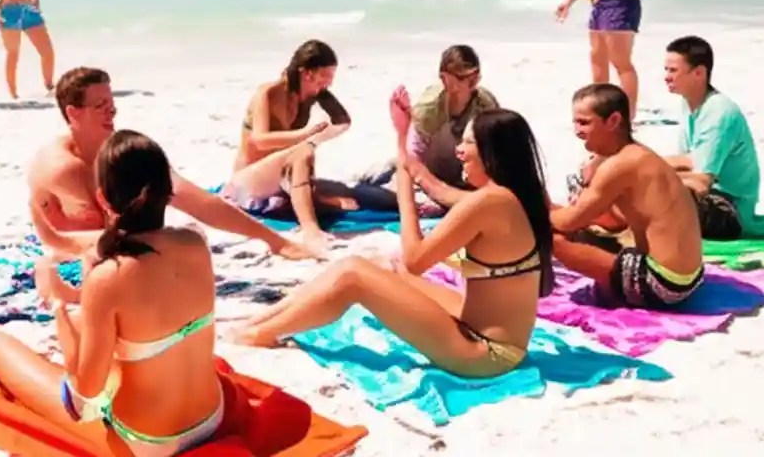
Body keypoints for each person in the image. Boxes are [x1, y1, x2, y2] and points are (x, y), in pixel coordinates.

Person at [0, 130, 226, 456]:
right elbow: (138, 249)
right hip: (211, 418)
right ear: (167, 192)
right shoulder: (194, 243)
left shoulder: (109, 279)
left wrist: (57, 304)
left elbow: (84, 400)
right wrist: (61, 244)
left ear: (104, 200)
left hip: (148, 442)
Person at [231, 109, 554, 379]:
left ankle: (259, 333)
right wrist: (402, 137)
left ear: (491, 151)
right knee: (385, 267)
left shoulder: (488, 202)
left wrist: (405, 195)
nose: (459, 149)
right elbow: (440, 193)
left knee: (353, 274)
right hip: (487, 333)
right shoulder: (515, 197)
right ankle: (260, 322)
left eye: (468, 142)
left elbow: (416, 259)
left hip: (485, 354)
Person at [27, 66, 315, 261]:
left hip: (120, 250)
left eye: (112, 103)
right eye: (100, 105)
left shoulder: (119, 152)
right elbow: (70, 243)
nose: (112, 111)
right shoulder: (63, 167)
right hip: (85, 265)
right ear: (73, 113)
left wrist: (275, 240)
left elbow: (197, 200)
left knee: (190, 235)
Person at [551, 84, 705, 309]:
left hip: (665, 285)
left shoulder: (618, 166)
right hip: (690, 279)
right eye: (575, 122)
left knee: (552, 240)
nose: (577, 131)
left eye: (584, 122)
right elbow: (615, 220)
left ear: (613, 121)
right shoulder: (639, 154)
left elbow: (569, 221)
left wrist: (536, 207)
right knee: (585, 231)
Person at [222, 40, 353, 251]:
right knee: (303, 152)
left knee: (359, 193)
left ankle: (316, 199)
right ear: (306, 73)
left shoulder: (310, 96)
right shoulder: (268, 93)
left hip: (279, 181)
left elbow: (344, 121)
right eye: (325, 77)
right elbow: (260, 139)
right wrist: (305, 134)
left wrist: (321, 133)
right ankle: (310, 230)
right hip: (247, 185)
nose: (328, 84)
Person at [374, 45, 499, 213]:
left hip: (468, 179)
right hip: (427, 175)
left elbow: (497, 154)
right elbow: (413, 158)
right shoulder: (430, 108)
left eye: (474, 78)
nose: (473, 83)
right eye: (463, 78)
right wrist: (434, 188)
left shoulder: (485, 105)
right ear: (444, 78)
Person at [662, 35, 760, 240]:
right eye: (666, 70)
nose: (666, 77)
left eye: (673, 71)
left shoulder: (719, 112)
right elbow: (690, 159)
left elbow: (701, 181)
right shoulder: (690, 104)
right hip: (707, 194)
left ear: (698, 73)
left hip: (729, 210)